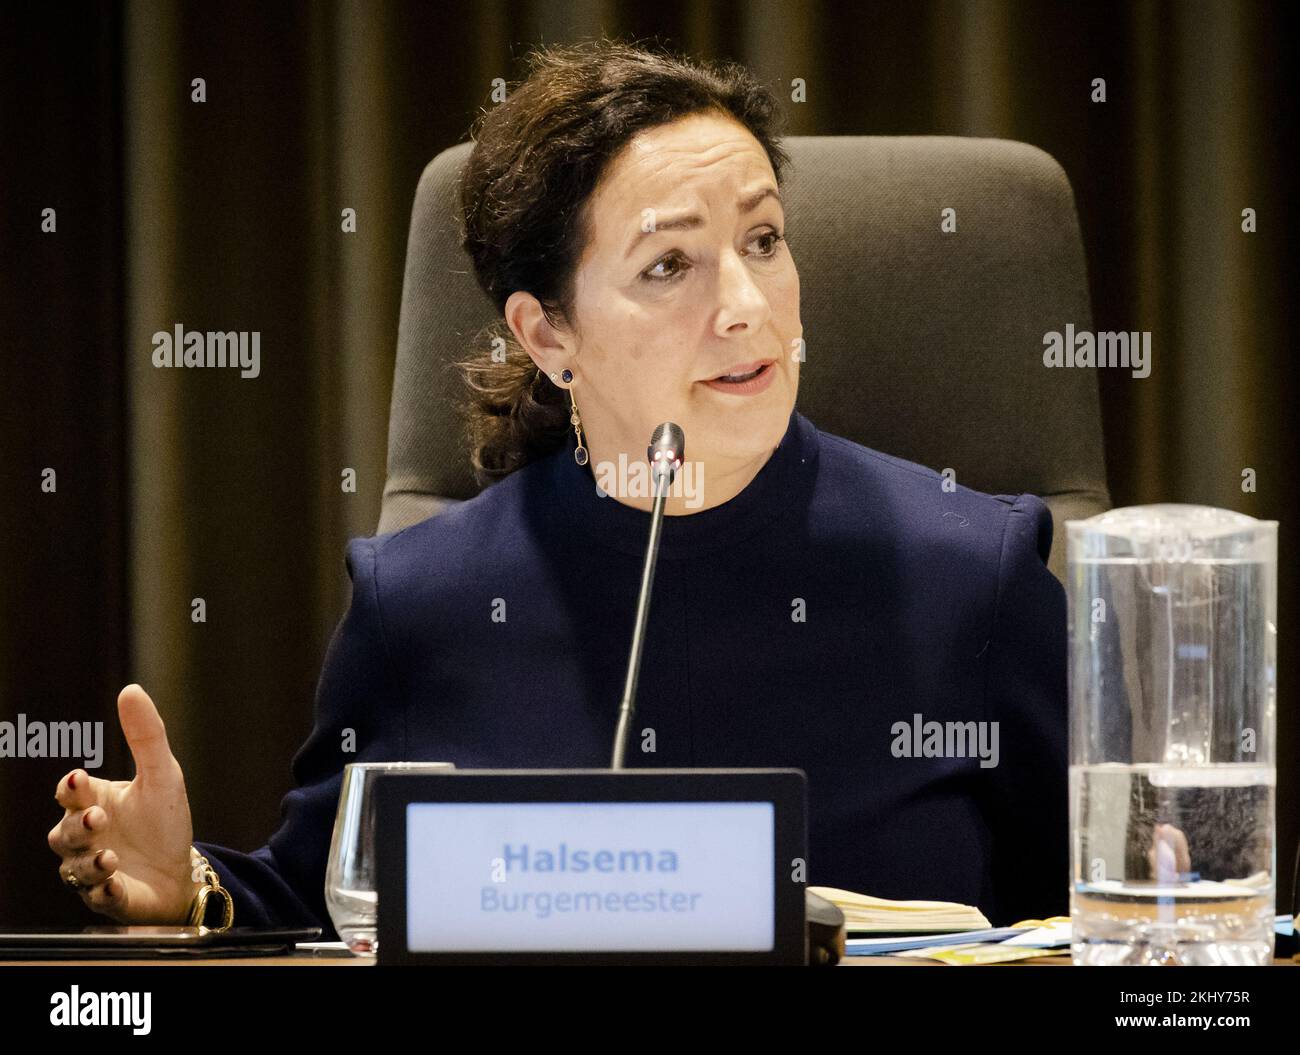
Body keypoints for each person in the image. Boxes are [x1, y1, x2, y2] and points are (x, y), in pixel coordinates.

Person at [47, 38, 1068, 934]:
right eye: (670, 265)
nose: (747, 305)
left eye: (762, 240)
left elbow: (1098, 910)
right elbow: (329, 900)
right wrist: (184, 886)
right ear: (547, 334)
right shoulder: (424, 601)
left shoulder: (968, 572)